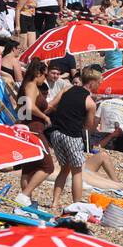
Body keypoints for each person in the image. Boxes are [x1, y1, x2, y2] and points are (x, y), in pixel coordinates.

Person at [46, 65, 101, 211]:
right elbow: (88, 127)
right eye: (99, 82)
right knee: (77, 171)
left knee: (64, 169)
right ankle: (77, 204)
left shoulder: (66, 89)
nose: (99, 85)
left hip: (55, 134)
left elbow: (51, 105)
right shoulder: (90, 102)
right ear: (92, 82)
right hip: (72, 136)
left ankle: (55, 202)